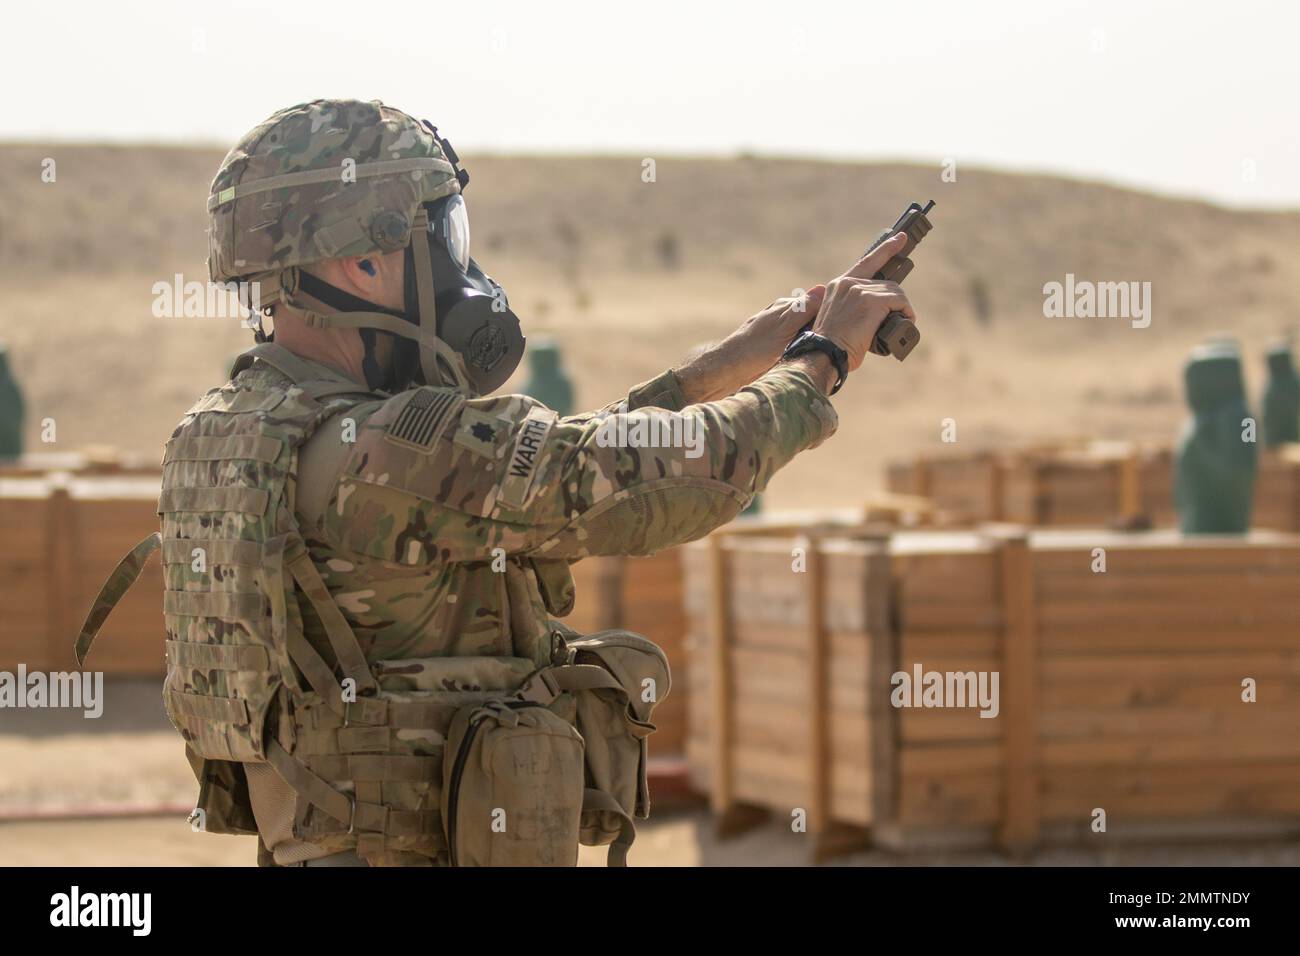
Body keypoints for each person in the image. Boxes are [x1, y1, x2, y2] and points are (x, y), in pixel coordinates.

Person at [76, 98, 919, 866]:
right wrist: (821, 361)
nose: (458, 272)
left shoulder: (231, 432)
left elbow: (540, 481)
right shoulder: (393, 447)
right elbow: (649, 480)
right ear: (366, 262)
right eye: (440, 241)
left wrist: (727, 364)